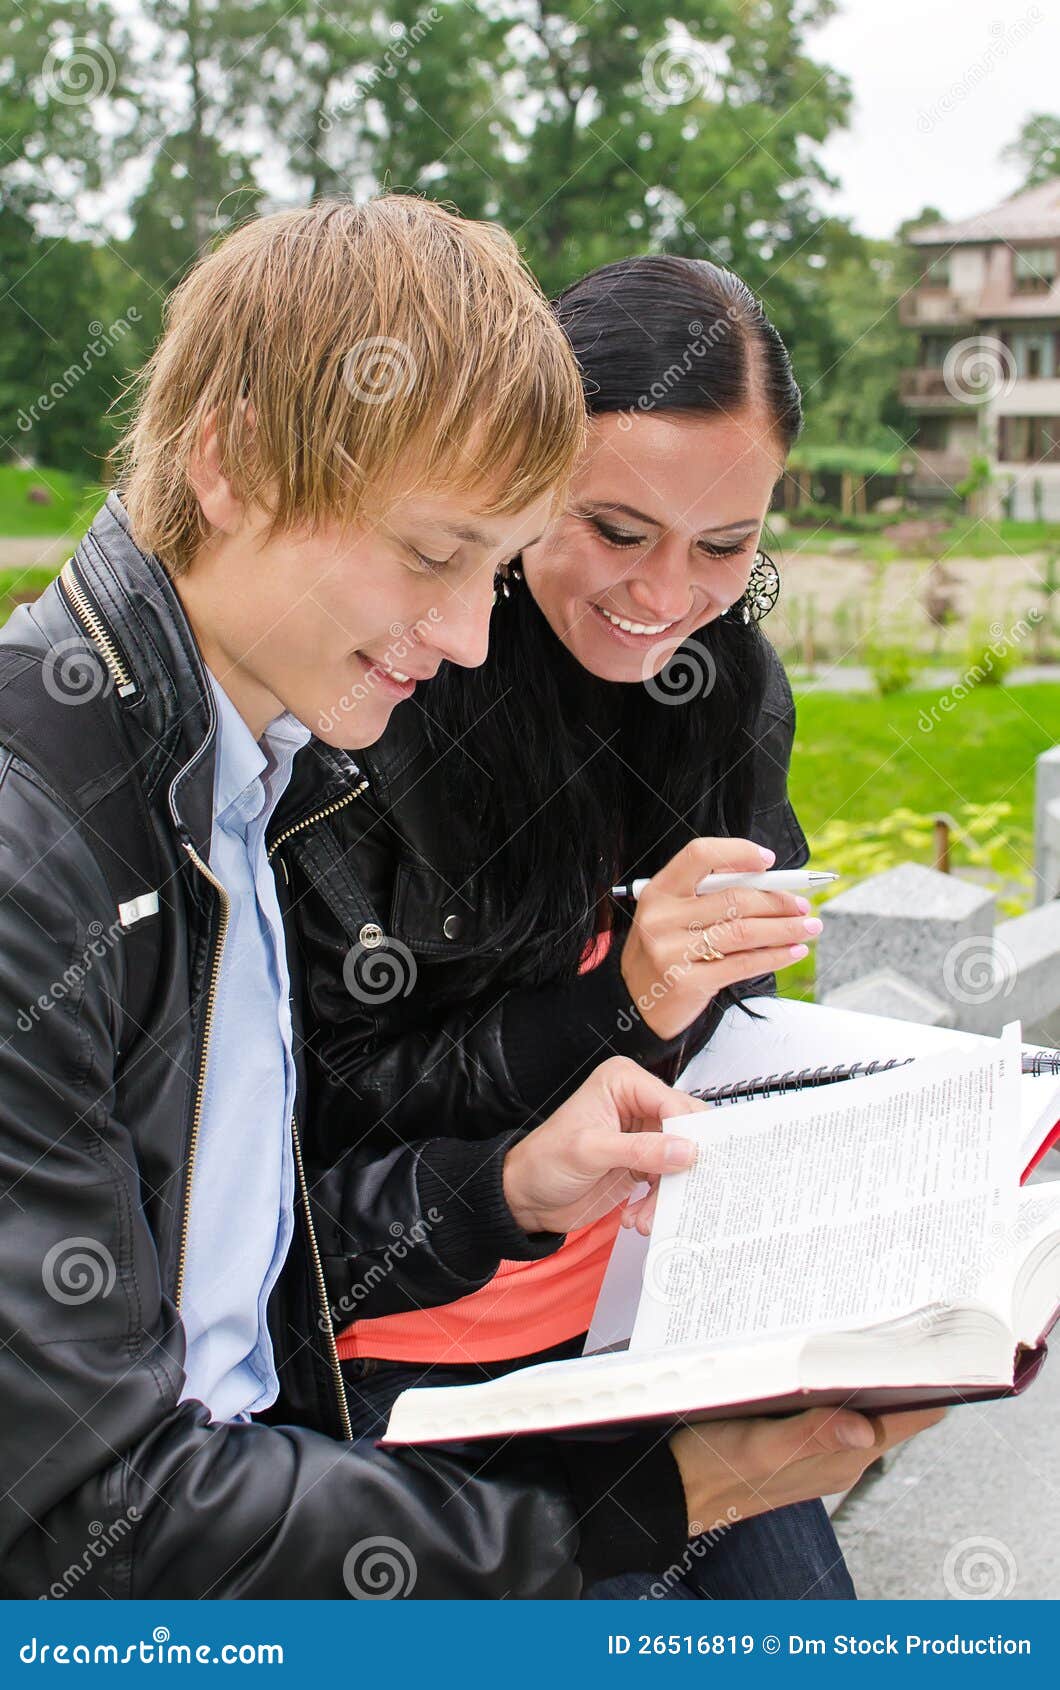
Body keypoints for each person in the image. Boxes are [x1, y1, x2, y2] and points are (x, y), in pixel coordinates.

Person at [0, 198, 942, 1601]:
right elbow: (97, 1525)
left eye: (492, 573)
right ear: (233, 462)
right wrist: (651, 1499)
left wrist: (507, 1185)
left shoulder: (241, 772)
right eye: (439, 559)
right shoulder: (69, 843)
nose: (463, 635)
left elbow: (272, 1272)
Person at [286, 255, 937, 1599]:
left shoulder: (728, 687)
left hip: (667, 1316)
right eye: (617, 529)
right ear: (523, 473)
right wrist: (619, 1006)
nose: (664, 595)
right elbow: (326, 1116)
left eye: (726, 545)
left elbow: (742, 1018)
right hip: (415, 1354)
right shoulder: (393, 691)